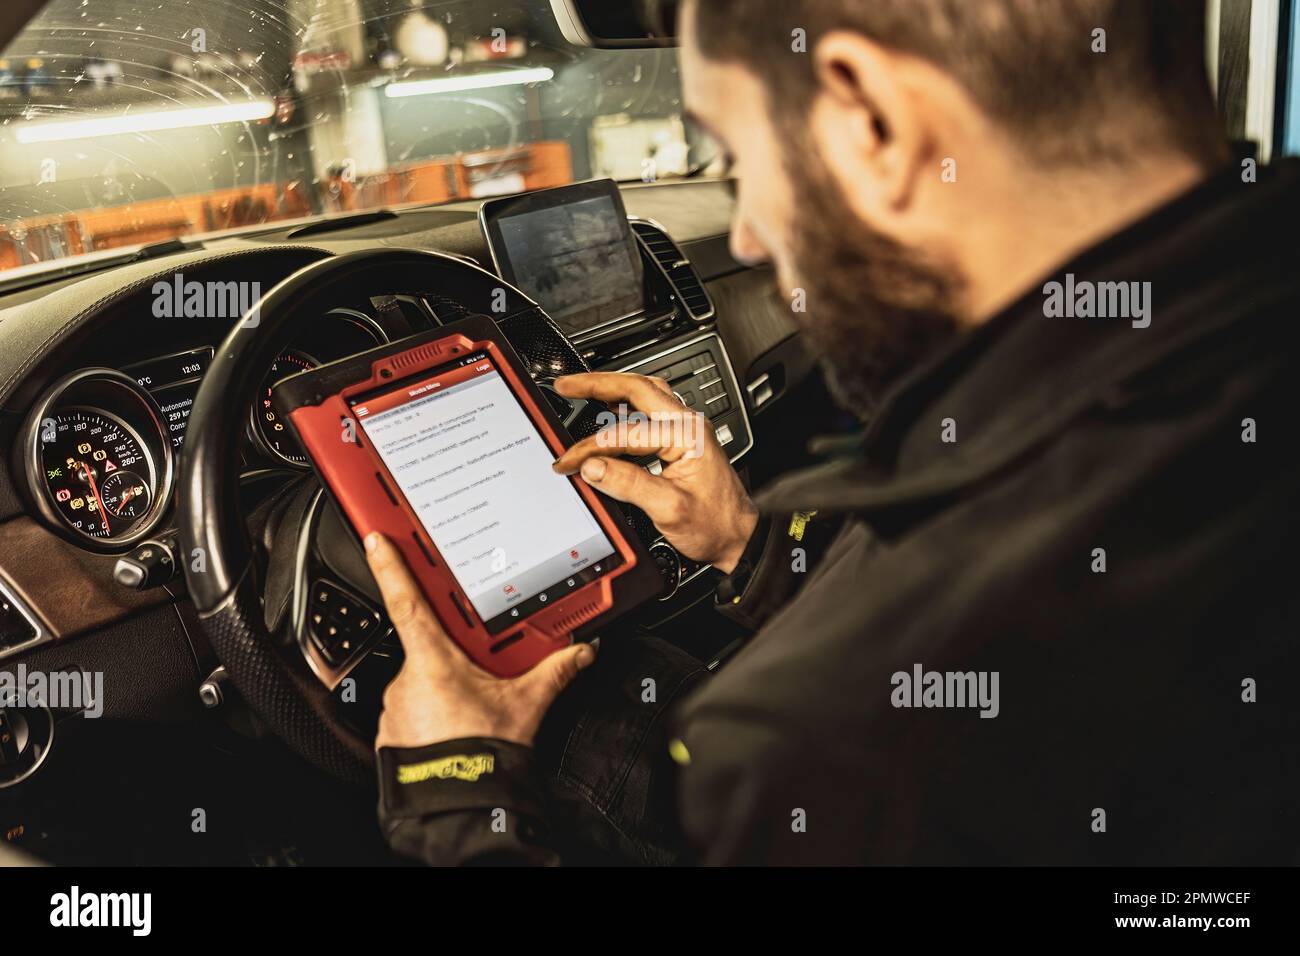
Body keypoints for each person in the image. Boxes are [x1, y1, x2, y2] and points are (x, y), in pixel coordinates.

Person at [364, 0, 1300, 865]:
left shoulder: (819, 751)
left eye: (742, 157)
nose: (756, 240)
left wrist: (458, 800)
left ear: (873, 122)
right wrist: (754, 546)